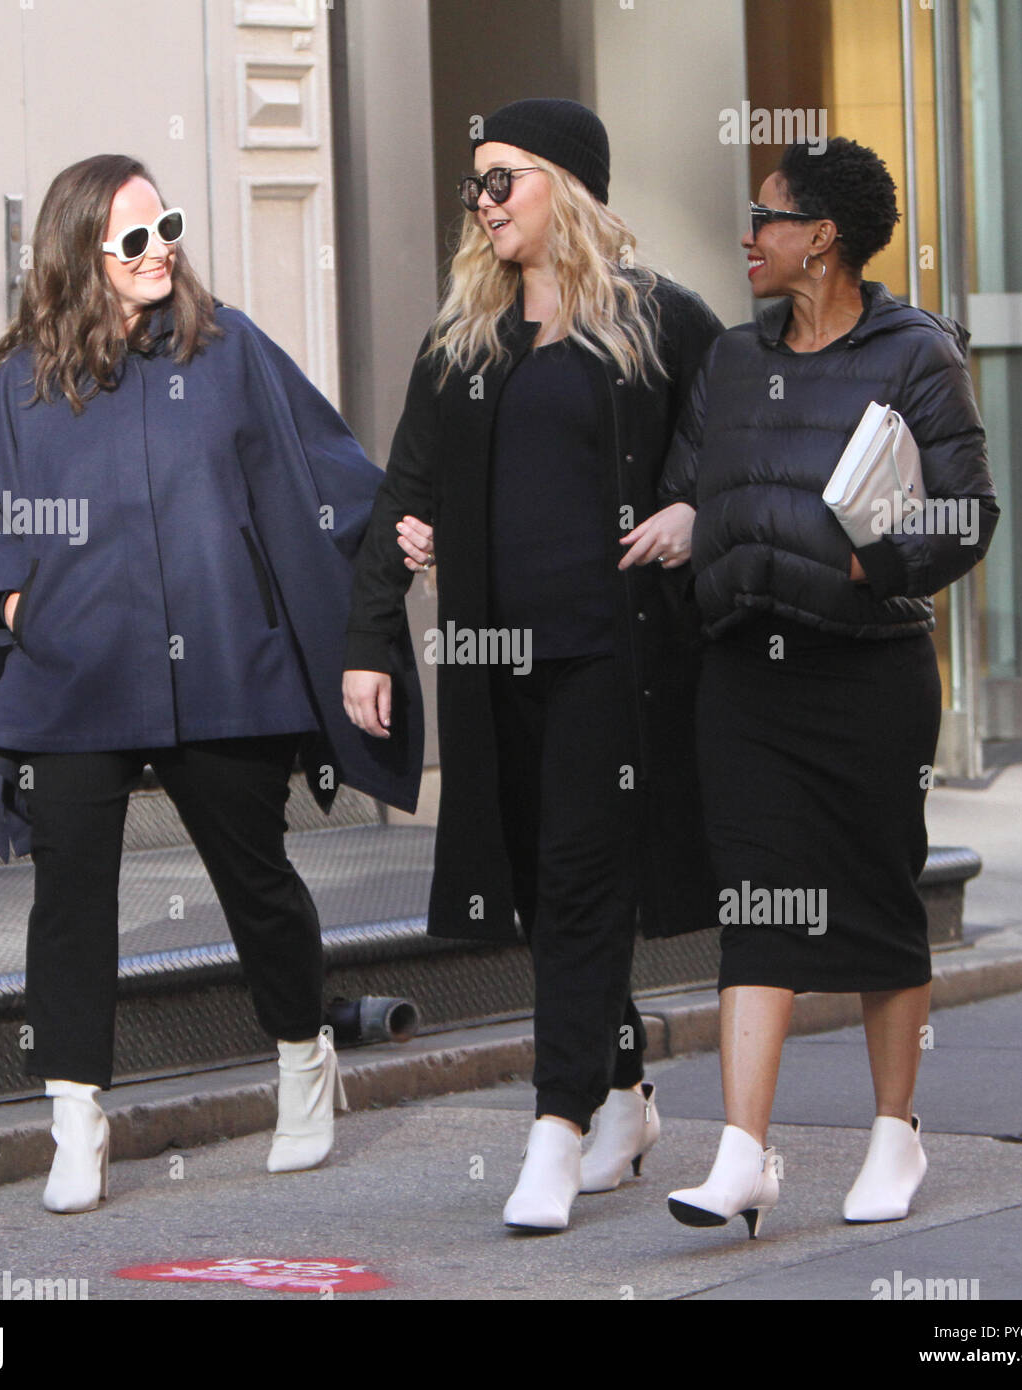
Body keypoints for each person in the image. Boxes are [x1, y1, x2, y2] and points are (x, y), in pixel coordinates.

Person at [0, 154, 422, 1213]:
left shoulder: (228, 349)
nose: (160, 251)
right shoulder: (28, 381)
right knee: (69, 900)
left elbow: (326, 467)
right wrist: (18, 607)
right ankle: (75, 1114)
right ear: (81, 257)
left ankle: (303, 1059)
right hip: (80, 681)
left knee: (257, 879)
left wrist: (394, 538)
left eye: (169, 228)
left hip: (222, 665)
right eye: (132, 240)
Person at [342, 99, 723, 1232]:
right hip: (495, 665)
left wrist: (695, 510)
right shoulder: (466, 335)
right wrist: (373, 635)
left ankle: (553, 1130)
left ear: (569, 184)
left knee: (581, 876)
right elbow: (402, 492)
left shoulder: (661, 322)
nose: (484, 201)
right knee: (548, 890)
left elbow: (733, 449)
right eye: (475, 184)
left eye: (503, 178)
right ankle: (621, 1093)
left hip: (617, 660)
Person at [628, 136, 999, 1237]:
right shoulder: (735, 359)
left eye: (768, 216)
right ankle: (743, 1152)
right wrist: (687, 521)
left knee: (880, 897)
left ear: (821, 238)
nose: (749, 235)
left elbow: (965, 514)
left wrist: (868, 560)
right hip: (743, 668)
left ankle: (896, 1130)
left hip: (867, 674)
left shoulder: (916, 353)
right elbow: (690, 478)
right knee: (754, 901)